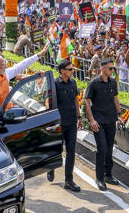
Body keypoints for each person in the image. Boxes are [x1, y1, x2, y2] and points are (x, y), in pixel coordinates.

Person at [84, 58, 124, 191]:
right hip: (98, 121)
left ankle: (108, 175)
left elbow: (115, 98)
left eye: (113, 68)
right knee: (102, 149)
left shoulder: (113, 82)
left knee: (109, 149)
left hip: (110, 120)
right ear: (103, 69)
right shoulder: (94, 83)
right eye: (110, 68)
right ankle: (99, 178)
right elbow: (87, 102)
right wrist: (91, 120)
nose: (112, 70)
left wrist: (119, 114)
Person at [0, 52, 43, 125]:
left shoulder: (6, 73)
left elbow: (20, 66)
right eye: (3, 65)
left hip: (7, 118)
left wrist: (38, 55)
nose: (6, 66)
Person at [47, 59, 82, 192]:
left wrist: (79, 117)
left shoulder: (73, 82)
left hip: (72, 122)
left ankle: (69, 180)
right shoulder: (55, 84)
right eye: (70, 69)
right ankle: (50, 167)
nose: (72, 71)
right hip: (58, 123)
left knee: (71, 151)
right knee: (56, 149)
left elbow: (75, 101)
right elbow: (48, 103)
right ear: (62, 71)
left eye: (72, 69)